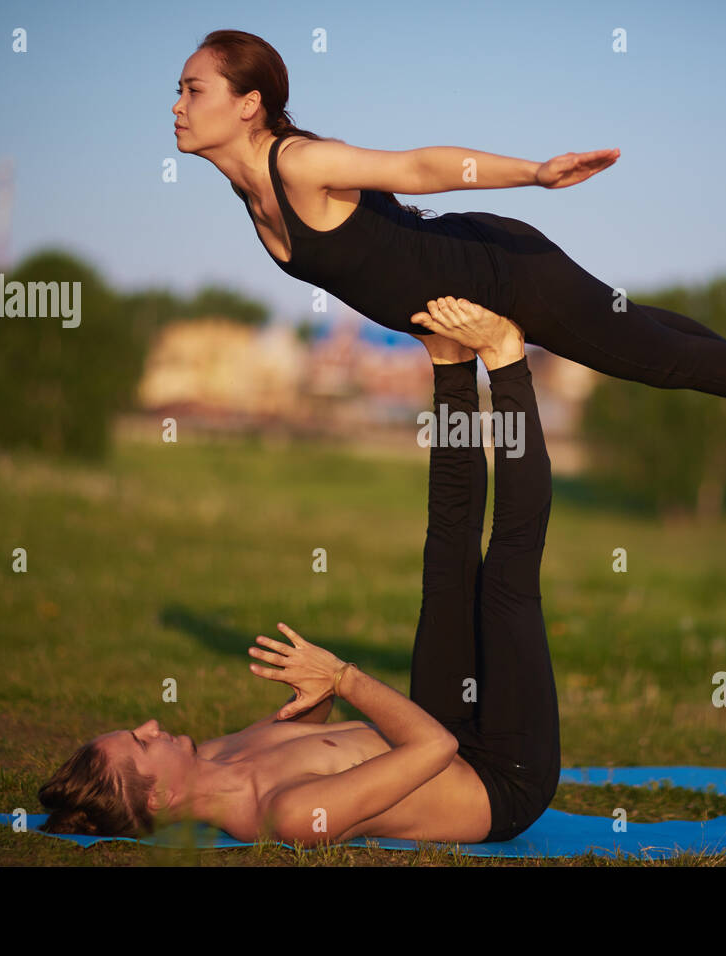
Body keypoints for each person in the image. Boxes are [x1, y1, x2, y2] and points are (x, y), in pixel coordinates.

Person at [173, 30, 726, 492]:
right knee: (643, 329)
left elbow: (420, 165)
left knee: (654, 359)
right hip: (484, 279)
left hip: (504, 273)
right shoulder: (252, 192)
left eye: (194, 89)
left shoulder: (299, 165)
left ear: (249, 104)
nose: (178, 105)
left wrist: (536, 172)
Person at [38, 297, 558, 845]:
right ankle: (505, 357)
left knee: (447, 557)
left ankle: (452, 364)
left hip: (436, 720)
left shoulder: (217, 755)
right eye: (141, 744)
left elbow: (311, 734)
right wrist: (341, 676)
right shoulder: (286, 814)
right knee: (506, 578)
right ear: (159, 798)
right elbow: (436, 751)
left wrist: (314, 691)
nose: (149, 726)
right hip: (500, 774)